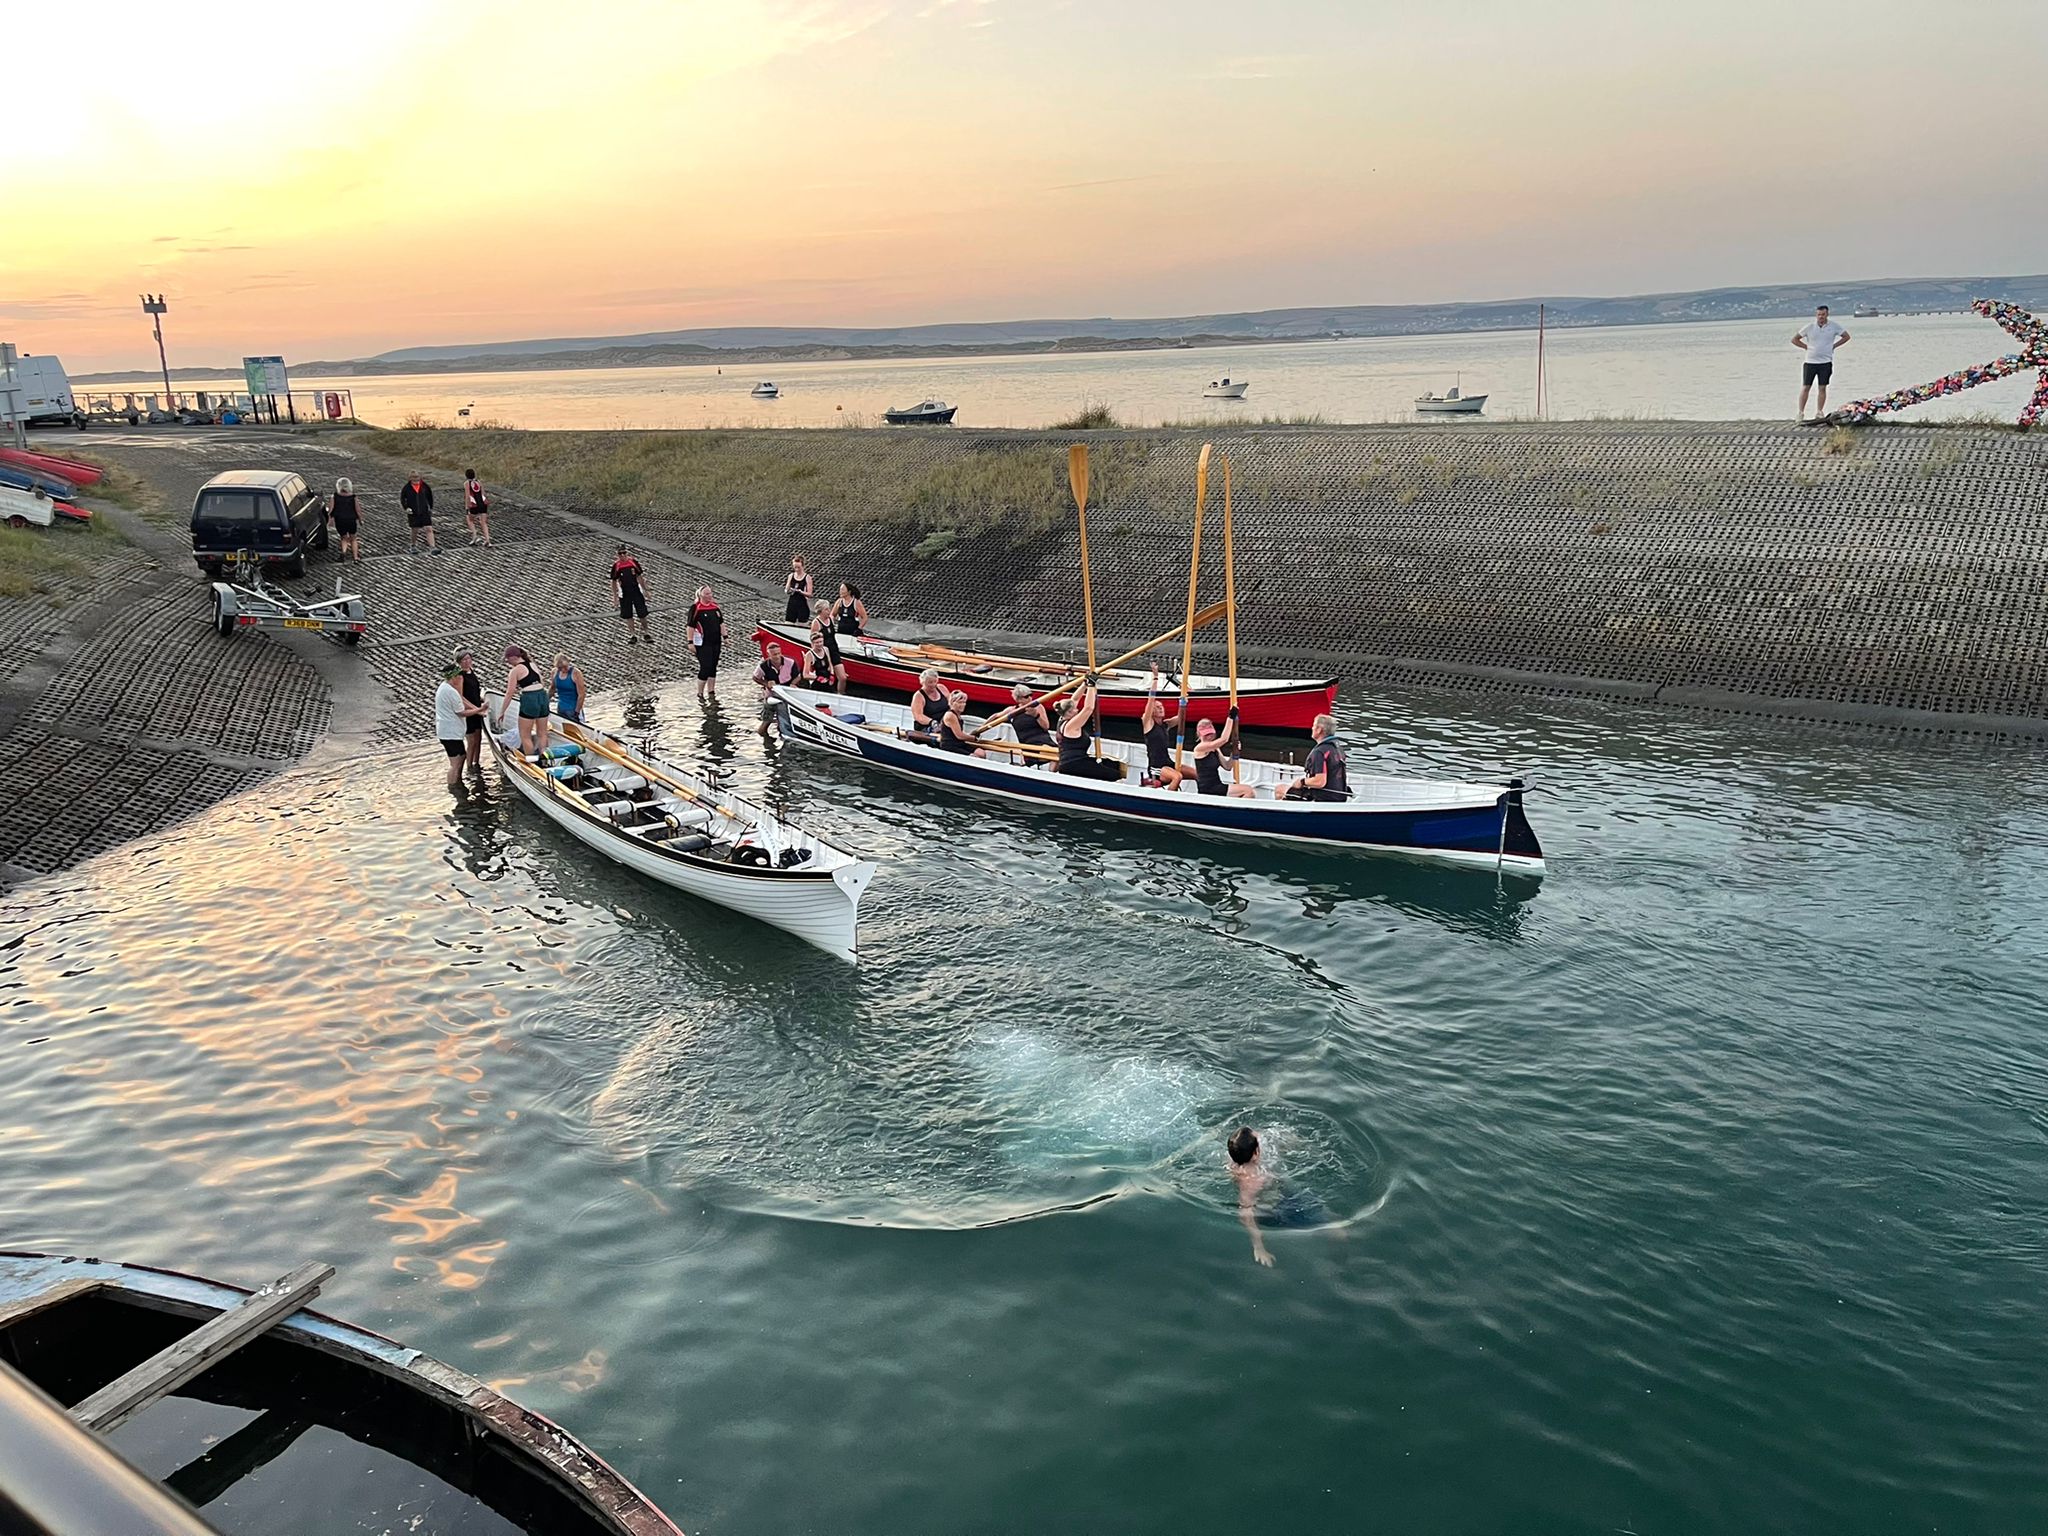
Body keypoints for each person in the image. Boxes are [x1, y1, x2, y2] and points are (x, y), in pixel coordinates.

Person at [1227, 1127, 1276, 1268]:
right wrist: (1258, 1247)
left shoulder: (1235, 1157)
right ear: (1256, 1153)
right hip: (1273, 1203)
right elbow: (1245, 1213)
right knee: (1336, 1231)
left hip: (1271, 1193)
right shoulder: (1252, 1180)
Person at [1793, 303, 1851, 420]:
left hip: (1825, 362)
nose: (1821, 317)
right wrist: (1806, 347)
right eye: (1819, 314)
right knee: (1806, 387)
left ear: (1827, 314)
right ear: (1816, 315)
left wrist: (1834, 346)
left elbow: (1846, 336)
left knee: (1822, 387)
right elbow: (1795, 339)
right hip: (1810, 362)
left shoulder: (1834, 326)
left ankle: (1819, 412)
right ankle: (1800, 412)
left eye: (1823, 314)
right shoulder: (1809, 327)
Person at [1056, 682, 1122, 781]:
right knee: (1114, 775)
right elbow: (1088, 708)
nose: (1077, 710)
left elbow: (1075, 699)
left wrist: (1084, 684)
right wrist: (1091, 687)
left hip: (1078, 759)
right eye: (1075, 709)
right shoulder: (1071, 726)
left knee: (1112, 764)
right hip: (1073, 764)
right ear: (1069, 712)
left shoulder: (1062, 717)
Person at [434, 662, 482, 789]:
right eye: (459, 676)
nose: (461, 679)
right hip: (450, 733)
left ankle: (458, 782)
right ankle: (453, 786)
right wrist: (478, 711)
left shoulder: (444, 688)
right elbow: (461, 712)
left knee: (461, 757)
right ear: (454, 677)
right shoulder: (451, 692)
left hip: (448, 732)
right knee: (455, 763)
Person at [1280, 714, 1349, 802]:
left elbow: (1320, 782)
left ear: (1319, 729)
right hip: (1339, 796)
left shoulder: (1320, 752)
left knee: (1280, 790)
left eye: (1313, 725)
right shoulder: (1338, 748)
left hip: (1323, 798)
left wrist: (1301, 782)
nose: (1312, 728)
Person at [1192, 709, 1258, 798]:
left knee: (1250, 791)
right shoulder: (1200, 748)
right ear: (1199, 734)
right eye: (1206, 734)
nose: (1209, 736)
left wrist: (1234, 753)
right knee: (1248, 790)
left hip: (1217, 785)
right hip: (1208, 788)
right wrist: (1230, 718)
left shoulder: (1215, 748)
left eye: (1210, 734)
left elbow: (1228, 766)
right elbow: (1224, 739)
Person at [502, 644, 552, 757]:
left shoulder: (515, 671)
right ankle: (546, 759)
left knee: (525, 735)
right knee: (542, 733)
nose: (508, 663)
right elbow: (542, 682)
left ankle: (531, 761)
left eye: (507, 660)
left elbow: (510, 692)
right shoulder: (532, 665)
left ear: (513, 657)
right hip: (543, 696)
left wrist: (502, 711)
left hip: (530, 698)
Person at [1139, 672, 1184, 790]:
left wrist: (1183, 702)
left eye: (1161, 707)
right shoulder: (1148, 723)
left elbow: (1181, 718)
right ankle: (1169, 800)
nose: (1160, 709)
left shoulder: (1166, 724)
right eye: (1157, 707)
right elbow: (1150, 701)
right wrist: (1155, 679)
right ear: (1152, 711)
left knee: (1196, 773)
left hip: (1168, 763)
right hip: (1156, 768)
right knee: (1177, 777)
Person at [455, 647, 488, 776]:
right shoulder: (460, 676)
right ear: (459, 661)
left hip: (477, 708)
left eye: (469, 659)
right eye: (464, 660)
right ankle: (469, 766)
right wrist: (475, 709)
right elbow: (461, 696)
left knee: (478, 739)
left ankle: (476, 763)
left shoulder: (471, 672)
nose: (467, 661)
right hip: (470, 711)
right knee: (471, 741)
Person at [610, 545, 651, 644]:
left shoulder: (633, 562)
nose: (623, 555)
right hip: (624, 593)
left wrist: (646, 590)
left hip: (636, 590)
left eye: (624, 553)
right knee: (628, 615)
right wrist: (615, 597)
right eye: (620, 554)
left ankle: (646, 633)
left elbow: (640, 576)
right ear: (617, 555)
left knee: (642, 613)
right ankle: (633, 635)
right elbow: (613, 581)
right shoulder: (616, 566)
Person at [688, 586, 723, 699]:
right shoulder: (696, 608)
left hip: (716, 641)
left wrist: (725, 637)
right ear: (701, 595)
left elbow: (721, 623)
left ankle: (711, 691)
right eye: (707, 594)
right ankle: (700, 692)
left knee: (713, 666)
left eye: (710, 593)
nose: (710, 596)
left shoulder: (715, 607)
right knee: (705, 666)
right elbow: (690, 626)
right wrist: (690, 642)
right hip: (702, 643)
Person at [1006, 683, 1055, 750]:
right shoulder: (1012, 710)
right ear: (1018, 699)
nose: (1030, 698)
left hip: (1042, 741)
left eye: (1031, 695)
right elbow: (996, 716)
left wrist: (1036, 716)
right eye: (1026, 697)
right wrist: (986, 726)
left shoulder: (1038, 707)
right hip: (1027, 745)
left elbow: (1046, 727)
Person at [808, 611, 848, 691]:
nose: (828, 611)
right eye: (826, 609)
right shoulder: (816, 622)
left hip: (833, 650)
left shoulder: (830, 619)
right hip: (822, 652)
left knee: (843, 678)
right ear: (821, 611)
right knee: (825, 676)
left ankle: (840, 694)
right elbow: (813, 639)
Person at [909, 668, 951, 742]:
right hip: (927, 726)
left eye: (935, 681)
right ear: (923, 682)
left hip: (944, 722)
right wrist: (933, 722)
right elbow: (918, 716)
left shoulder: (941, 688)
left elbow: (951, 704)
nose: (933, 684)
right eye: (930, 682)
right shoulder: (918, 696)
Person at [938, 690, 985, 756]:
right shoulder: (950, 715)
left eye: (964, 702)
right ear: (952, 702)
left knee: (981, 752)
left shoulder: (958, 715)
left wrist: (971, 736)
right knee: (974, 757)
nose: (963, 705)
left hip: (959, 743)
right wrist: (974, 738)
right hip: (950, 745)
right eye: (960, 702)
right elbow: (959, 735)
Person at [327, 476, 362, 562]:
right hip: (351, 520)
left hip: (340, 520)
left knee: (343, 537)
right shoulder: (353, 497)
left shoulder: (334, 496)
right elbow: (358, 510)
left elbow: (331, 509)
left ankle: (343, 552)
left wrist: (329, 520)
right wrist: (360, 519)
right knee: (353, 538)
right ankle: (355, 557)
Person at [400, 473, 437, 554]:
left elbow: (430, 497)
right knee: (415, 530)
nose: (416, 479)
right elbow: (403, 499)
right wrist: (406, 508)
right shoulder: (406, 488)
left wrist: (430, 507)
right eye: (413, 477)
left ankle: (432, 547)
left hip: (424, 511)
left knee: (429, 528)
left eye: (417, 477)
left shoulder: (425, 486)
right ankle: (413, 545)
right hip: (413, 512)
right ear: (410, 478)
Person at [551, 652, 585, 724]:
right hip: (561, 708)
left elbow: (581, 695)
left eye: (565, 667)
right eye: (560, 668)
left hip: (573, 709)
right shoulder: (554, 672)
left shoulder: (576, 673)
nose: (563, 670)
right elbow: (552, 689)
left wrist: (577, 712)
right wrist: (545, 702)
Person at [463, 468, 492, 548]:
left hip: (474, 505)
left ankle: (475, 535)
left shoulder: (467, 483)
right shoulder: (478, 482)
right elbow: (483, 493)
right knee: (484, 522)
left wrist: (467, 506)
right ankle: (487, 540)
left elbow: (468, 495)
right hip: (482, 505)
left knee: (470, 520)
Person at [784, 555, 814, 623]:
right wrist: (789, 590)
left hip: (801, 604)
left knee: (802, 624)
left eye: (798, 567)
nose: (797, 569)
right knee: (788, 623)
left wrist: (801, 592)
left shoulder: (807, 577)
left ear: (803, 566)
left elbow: (810, 594)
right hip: (792, 603)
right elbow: (786, 589)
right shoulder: (791, 576)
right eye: (795, 567)